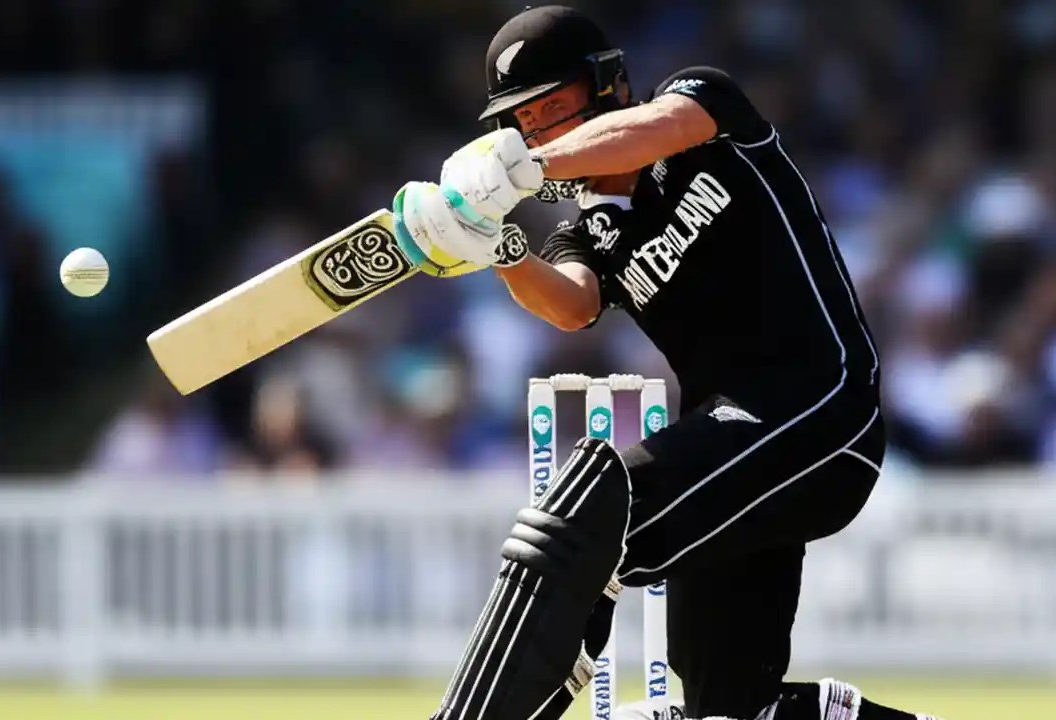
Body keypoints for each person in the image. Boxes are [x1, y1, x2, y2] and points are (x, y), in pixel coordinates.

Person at [393, 6, 940, 720]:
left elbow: (657, 130)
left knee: (589, 515)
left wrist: (530, 166)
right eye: (523, 124)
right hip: (734, 451)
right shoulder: (590, 231)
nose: (541, 132)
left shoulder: (699, 103)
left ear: (609, 84)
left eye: (554, 107)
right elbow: (570, 304)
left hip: (819, 409)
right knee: (729, 707)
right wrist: (496, 247)